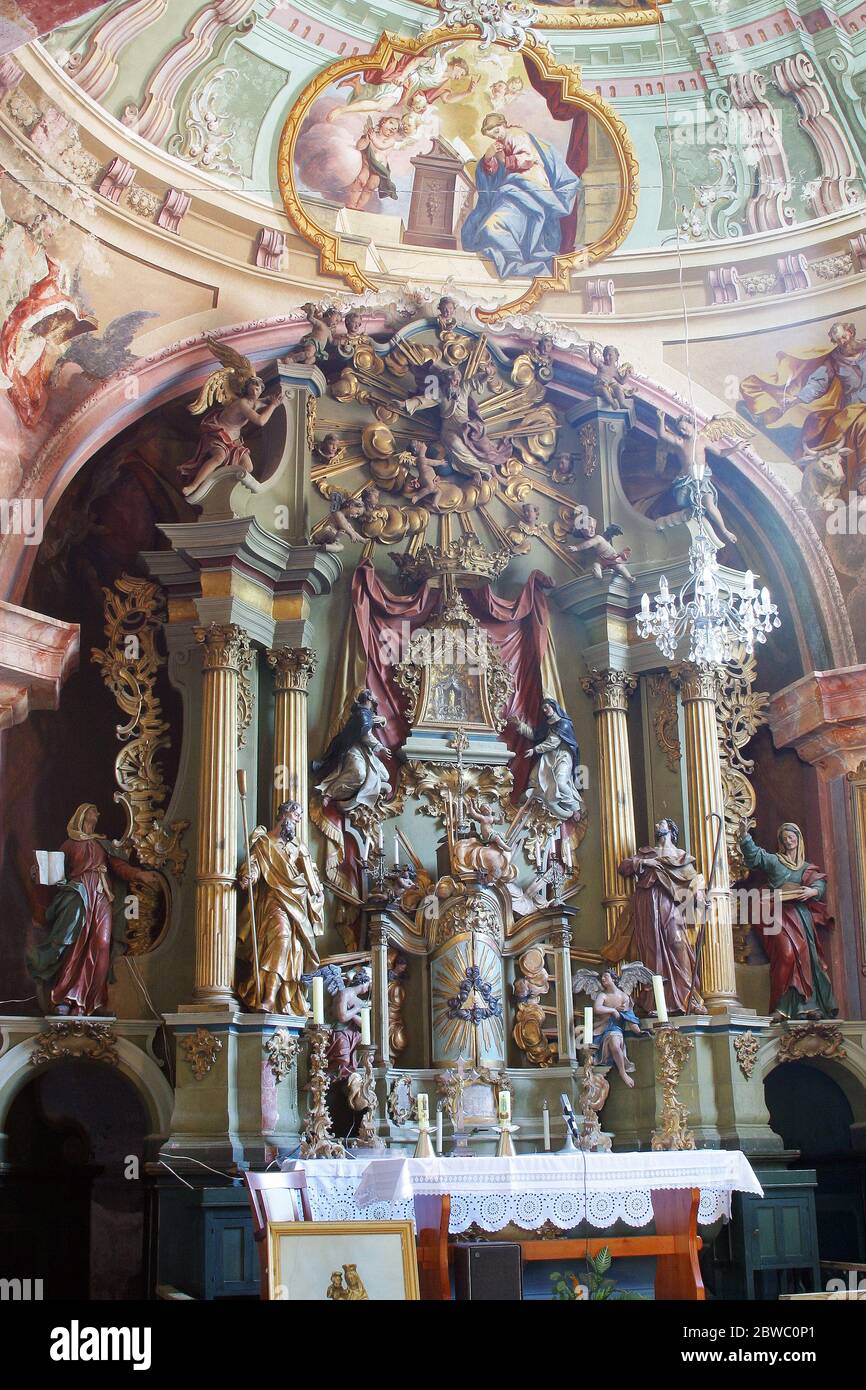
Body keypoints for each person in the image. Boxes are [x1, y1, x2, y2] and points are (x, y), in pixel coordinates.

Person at [28, 803, 160, 1016]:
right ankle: (66, 998)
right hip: (77, 895)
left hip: (101, 895)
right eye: (92, 811)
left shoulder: (103, 844)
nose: (97, 814)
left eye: (97, 811)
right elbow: (56, 873)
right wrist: (39, 873)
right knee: (75, 944)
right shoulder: (70, 845)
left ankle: (95, 1001)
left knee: (102, 944)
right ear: (81, 815)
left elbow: (119, 867)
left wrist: (139, 874)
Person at [603, 817, 707, 1015]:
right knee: (652, 950)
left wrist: (700, 897)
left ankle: (687, 998)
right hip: (647, 903)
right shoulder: (647, 853)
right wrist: (645, 862)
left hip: (671, 903)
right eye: (657, 824)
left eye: (662, 824)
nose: (658, 826)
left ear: (671, 831)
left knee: (678, 944)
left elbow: (693, 882)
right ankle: (655, 1003)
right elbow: (624, 867)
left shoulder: (681, 856)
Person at [460, 112, 581, 279]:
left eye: (496, 131)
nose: (495, 136)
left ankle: (515, 262)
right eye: (491, 135)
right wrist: (488, 158)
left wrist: (504, 160)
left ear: (503, 125)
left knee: (493, 227)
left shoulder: (515, 135)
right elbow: (496, 173)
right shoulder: (501, 143)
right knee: (492, 228)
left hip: (529, 185)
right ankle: (514, 261)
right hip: (514, 191)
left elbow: (526, 158)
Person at [739, 821, 838, 1021]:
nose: (788, 840)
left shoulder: (807, 867)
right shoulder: (775, 861)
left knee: (806, 958)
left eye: (791, 836)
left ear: (798, 839)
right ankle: (781, 1005)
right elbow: (756, 856)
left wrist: (813, 891)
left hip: (801, 916)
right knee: (785, 954)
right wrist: (744, 837)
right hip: (779, 914)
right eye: (784, 838)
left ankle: (810, 1005)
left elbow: (819, 883)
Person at [236, 800, 323, 1015]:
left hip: (298, 907)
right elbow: (254, 865)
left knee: (293, 950)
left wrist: (317, 897)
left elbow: (312, 881)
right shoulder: (264, 843)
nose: (299, 820)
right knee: (281, 942)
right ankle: (266, 998)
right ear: (285, 815)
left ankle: (279, 999)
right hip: (274, 904)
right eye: (297, 815)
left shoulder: (299, 846)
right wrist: (249, 877)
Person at [179, 375, 285, 496]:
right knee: (219, 457)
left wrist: (272, 399)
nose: (255, 392)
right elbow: (260, 421)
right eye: (252, 389)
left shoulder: (254, 402)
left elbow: (264, 401)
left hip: (234, 442)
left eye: (258, 389)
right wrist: (273, 405)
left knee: (248, 467)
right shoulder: (242, 403)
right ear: (246, 390)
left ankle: (225, 488)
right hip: (219, 435)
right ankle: (193, 486)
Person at [312, 688, 392, 813]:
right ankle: (329, 793)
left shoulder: (367, 713)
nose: (376, 696)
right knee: (359, 774)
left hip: (365, 751)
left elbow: (374, 722)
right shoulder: (361, 715)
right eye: (374, 695)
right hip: (351, 747)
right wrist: (380, 748)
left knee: (385, 776)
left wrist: (383, 719)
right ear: (369, 698)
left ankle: (363, 792)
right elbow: (366, 735)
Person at [510, 697, 583, 821]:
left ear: (554, 707)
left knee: (560, 782)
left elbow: (553, 742)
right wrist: (519, 725)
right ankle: (536, 796)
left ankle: (575, 807)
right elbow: (535, 734)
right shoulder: (548, 724)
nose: (545, 710)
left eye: (547, 707)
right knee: (534, 777)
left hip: (563, 756)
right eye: (543, 708)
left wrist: (535, 750)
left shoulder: (563, 723)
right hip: (549, 756)